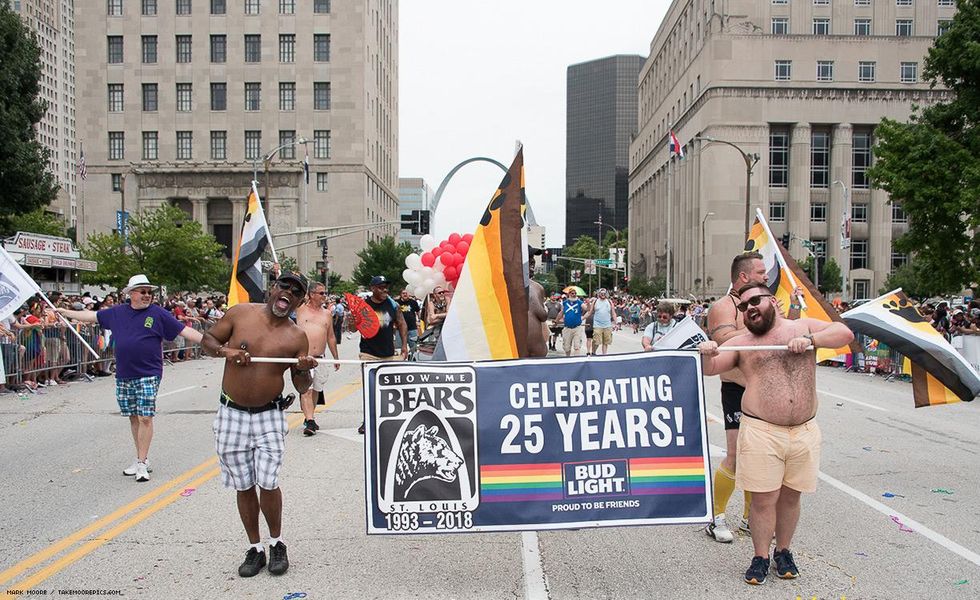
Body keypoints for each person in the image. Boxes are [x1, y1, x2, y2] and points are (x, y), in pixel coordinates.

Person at [699, 283, 853, 585]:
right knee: (763, 499)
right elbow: (712, 367)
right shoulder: (742, 342)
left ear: (773, 300)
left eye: (755, 301)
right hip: (762, 430)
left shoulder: (802, 326)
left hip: (804, 430)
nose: (750, 308)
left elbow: (844, 334)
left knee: (791, 497)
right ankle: (760, 556)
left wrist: (809, 339)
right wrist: (707, 353)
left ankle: (784, 551)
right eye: (744, 307)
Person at [201, 271, 317, 578]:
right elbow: (208, 340)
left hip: (268, 415)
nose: (288, 293)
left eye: (296, 291)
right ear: (273, 288)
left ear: (299, 301)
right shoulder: (240, 314)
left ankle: (277, 543)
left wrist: (304, 369)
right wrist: (227, 351)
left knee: (268, 480)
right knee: (243, 484)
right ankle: (254, 548)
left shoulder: (296, 336)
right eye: (285, 286)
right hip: (232, 414)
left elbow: (303, 386)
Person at [57, 274, 203, 482]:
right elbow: (92, 316)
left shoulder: (158, 313)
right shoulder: (117, 313)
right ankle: (140, 457)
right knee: (134, 416)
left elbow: (185, 330)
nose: (147, 295)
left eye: (149, 292)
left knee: (145, 416)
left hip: (149, 372)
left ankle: (142, 463)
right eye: (142, 291)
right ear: (131, 294)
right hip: (125, 373)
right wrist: (64, 311)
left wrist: (211, 342)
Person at [701, 252, 769, 543]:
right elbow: (727, 342)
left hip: (764, 388)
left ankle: (750, 519)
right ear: (743, 276)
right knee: (736, 456)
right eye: (761, 272)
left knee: (760, 458)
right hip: (736, 389)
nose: (766, 276)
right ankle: (715, 517)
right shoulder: (723, 306)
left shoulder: (765, 303)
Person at [354, 275, 408, 435]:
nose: (385, 289)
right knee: (370, 388)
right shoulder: (364, 305)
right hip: (368, 353)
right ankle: (367, 420)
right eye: (381, 287)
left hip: (388, 353)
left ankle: (389, 419)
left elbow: (402, 323)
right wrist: (352, 321)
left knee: (389, 389)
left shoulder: (393, 304)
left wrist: (404, 345)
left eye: (386, 286)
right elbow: (352, 328)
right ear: (372, 288)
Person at [295, 282, 340, 436]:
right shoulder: (300, 310)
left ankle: (310, 417)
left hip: (320, 358)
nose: (324, 296)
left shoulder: (327, 313)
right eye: (321, 293)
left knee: (316, 390)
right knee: (306, 390)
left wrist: (336, 357)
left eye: (324, 293)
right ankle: (310, 420)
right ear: (312, 294)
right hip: (303, 357)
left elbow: (331, 337)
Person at [527, 248, 549, 358]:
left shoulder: (537, 288)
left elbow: (543, 317)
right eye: (528, 259)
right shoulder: (504, 287)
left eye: (533, 260)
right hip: (514, 354)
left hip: (538, 352)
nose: (532, 263)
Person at [394, 289, 421, 356]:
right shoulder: (396, 303)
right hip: (399, 329)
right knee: (399, 348)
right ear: (400, 295)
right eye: (403, 293)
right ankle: (400, 362)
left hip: (412, 328)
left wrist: (419, 320)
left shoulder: (413, 302)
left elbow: (418, 311)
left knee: (414, 348)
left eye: (406, 293)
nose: (405, 294)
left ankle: (414, 361)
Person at [589, 288, 616, 355]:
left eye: (604, 293)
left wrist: (616, 323)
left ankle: (604, 355)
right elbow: (589, 312)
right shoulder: (595, 302)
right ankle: (593, 352)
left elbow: (613, 313)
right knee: (596, 341)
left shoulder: (609, 302)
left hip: (607, 325)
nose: (603, 294)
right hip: (597, 324)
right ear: (599, 294)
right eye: (601, 293)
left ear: (606, 294)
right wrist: (582, 319)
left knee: (606, 342)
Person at [558, 289, 585, 356]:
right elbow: (561, 312)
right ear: (569, 294)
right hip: (567, 328)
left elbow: (586, 308)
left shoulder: (579, 302)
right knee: (567, 348)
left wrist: (589, 305)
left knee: (577, 346)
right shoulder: (565, 303)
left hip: (577, 328)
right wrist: (556, 321)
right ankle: (568, 360)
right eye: (572, 293)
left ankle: (576, 361)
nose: (574, 294)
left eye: (575, 293)